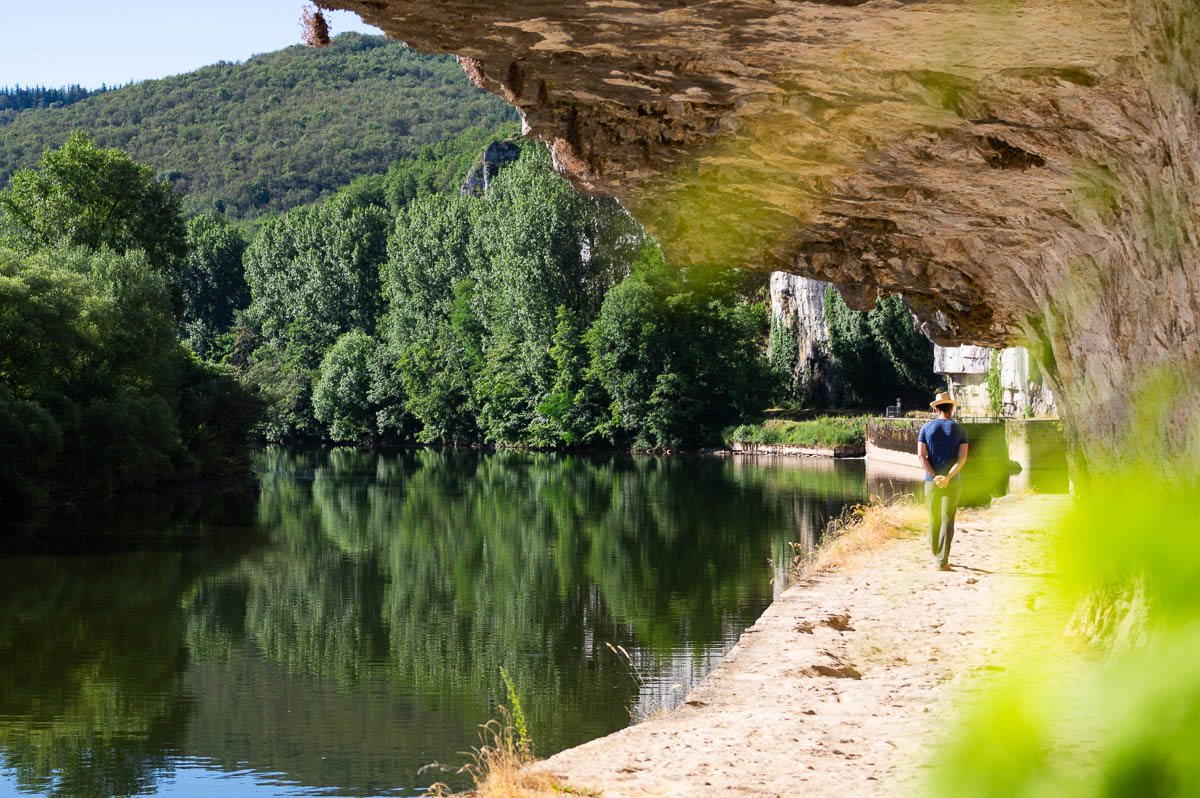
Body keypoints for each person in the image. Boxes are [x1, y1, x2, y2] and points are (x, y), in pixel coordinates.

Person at [917, 391, 969, 570]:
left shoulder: (926, 428)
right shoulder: (960, 429)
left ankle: (934, 551)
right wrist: (947, 477)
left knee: (934, 517)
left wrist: (934, 476)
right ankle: (942, 561)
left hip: (931, 482)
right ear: (951, 409)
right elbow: (962, 458)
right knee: (947, 520)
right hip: (953, 482)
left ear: (936, 409)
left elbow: (921, 456)